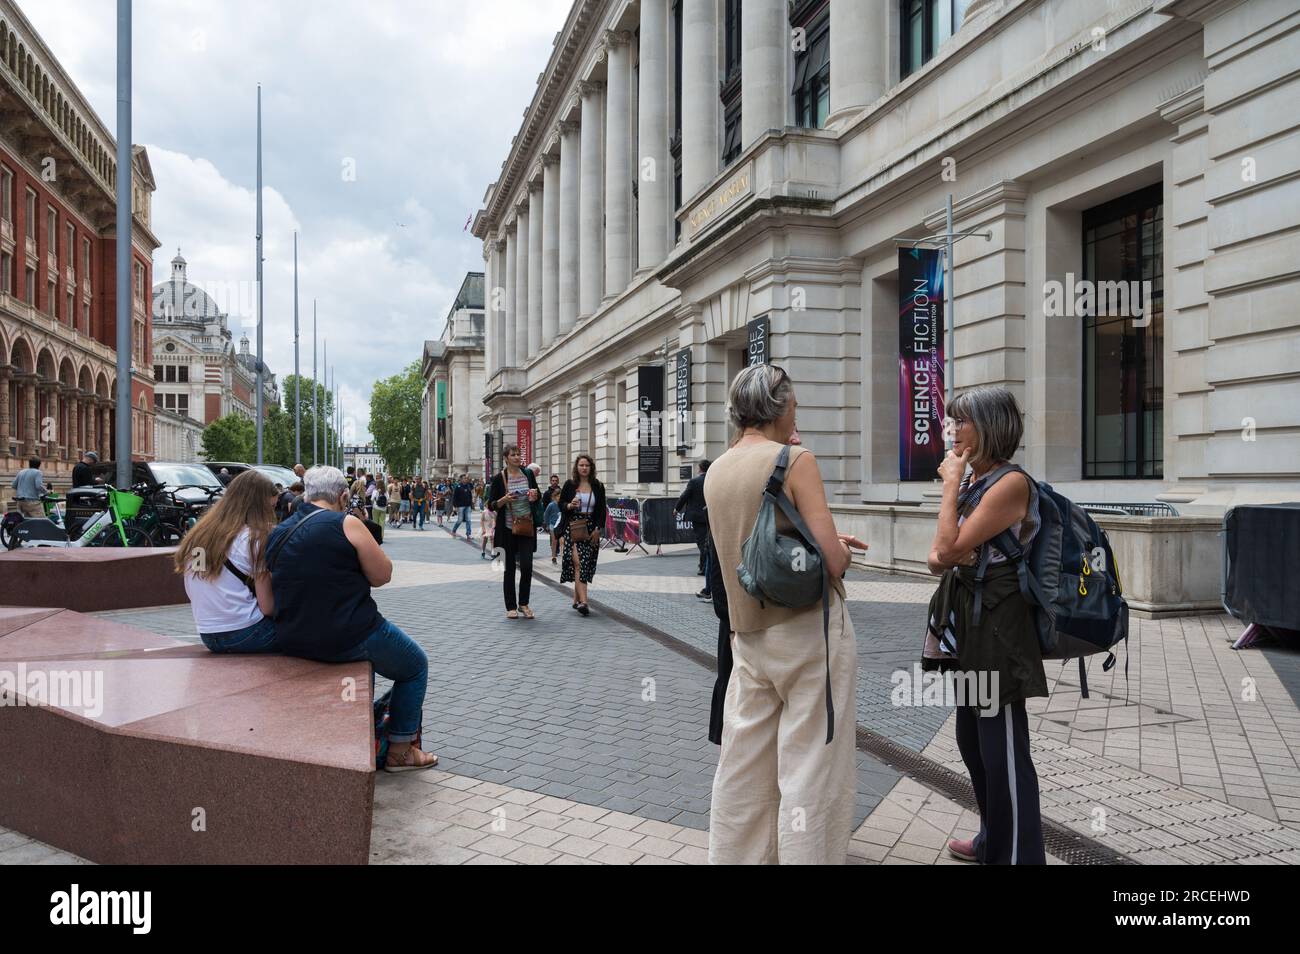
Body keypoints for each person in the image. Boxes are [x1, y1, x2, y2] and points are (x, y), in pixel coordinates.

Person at [705, 364, 867, 865]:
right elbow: (833, 561)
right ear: (782, 406)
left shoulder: (717, 469)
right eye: (794, 402)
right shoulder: (795, 461)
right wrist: (838, 548)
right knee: (811, 769)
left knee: (743, 769)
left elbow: (748, 549)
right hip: (807, 633)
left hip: (747, 637)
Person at [926, 386, 1047, 865]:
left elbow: (944, 553)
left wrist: (951, 484)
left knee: (1004, 750)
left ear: (990, 427)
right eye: (951, 421)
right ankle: (993, 839)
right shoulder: (980, 481)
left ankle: (1019, 855)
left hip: (999, 630)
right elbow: (941, 552)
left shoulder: (1010, 484)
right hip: (969, 625)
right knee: (972, 740)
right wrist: (955, 524)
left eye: (962, 421)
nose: (952, 430)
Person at [268, 466, 437, 771]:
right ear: (344, 496)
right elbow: (382, 575)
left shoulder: (279, 531)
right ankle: (400, 751)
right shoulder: (345, 523)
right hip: (350, 634)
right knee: (415, 665)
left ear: (306, 494)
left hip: (293, 637)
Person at [175, 470, 280, 654]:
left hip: (208, 635)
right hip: (248, 632)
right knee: (307, 631)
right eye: (271, 508)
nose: (272, 514)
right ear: (258, 507)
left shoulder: (199, 534)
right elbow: (267, 607)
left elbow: (196, 585)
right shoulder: (253, 539)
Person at [489, 445, 541, 619]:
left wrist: (534, 496)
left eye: (519, 454)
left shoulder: (528, 474)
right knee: (508, 568)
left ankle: (524, 604)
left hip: (526, 526)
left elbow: (537, 495)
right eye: (513, 455)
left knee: (527, 566)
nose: (517, 457)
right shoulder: (499, 478)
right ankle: (511, 606)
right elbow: (491, 504)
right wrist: (504, 499)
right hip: (507, 529)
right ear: (506, 458)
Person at [557, 453, 607, 617]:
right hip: (574, 526)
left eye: (587, 465)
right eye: (581, 465)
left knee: (585, 563)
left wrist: (598, 528)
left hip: (591, 528)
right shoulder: (570, 485)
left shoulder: (598, 486)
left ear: (591, 468)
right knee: (579, 563)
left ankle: (576, 599)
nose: (584, 468)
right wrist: (570, 505)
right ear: (576, 467)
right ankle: (584, 602)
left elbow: (601, 510)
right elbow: (561, 505)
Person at [675, 459, 712, 599]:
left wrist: (676, 508)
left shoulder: (694, 481)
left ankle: (703, 566)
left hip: (698, 517)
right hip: (710, 515)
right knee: (706, 542)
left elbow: (685, 496)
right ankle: (703, 565)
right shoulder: (713, 479)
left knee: (702, 543)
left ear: (700, 469)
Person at [450, 474, 474, 540]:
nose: (466, 479)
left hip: (468, 505)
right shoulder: (458, 486)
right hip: (460, 506)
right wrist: (454, 506)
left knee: (468, 520)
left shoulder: (468, 486)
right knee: (460, 520)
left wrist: (471, 504)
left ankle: (468, 534)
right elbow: (454, 497)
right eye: (464, 478)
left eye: (466, 478)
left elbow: (470, 495)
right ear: (461, 479)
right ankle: (454, 530)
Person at [480, 494, 496, 559]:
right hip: (486, 527)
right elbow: (482, 520)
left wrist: (493, 527)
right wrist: (483, 528)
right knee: (485, 540)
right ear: (486, 505)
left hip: (492, 527)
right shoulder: (484, 512)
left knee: (492, 540)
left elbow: (495, 520)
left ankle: (493, 552)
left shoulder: (494, 512)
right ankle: (483, 551)